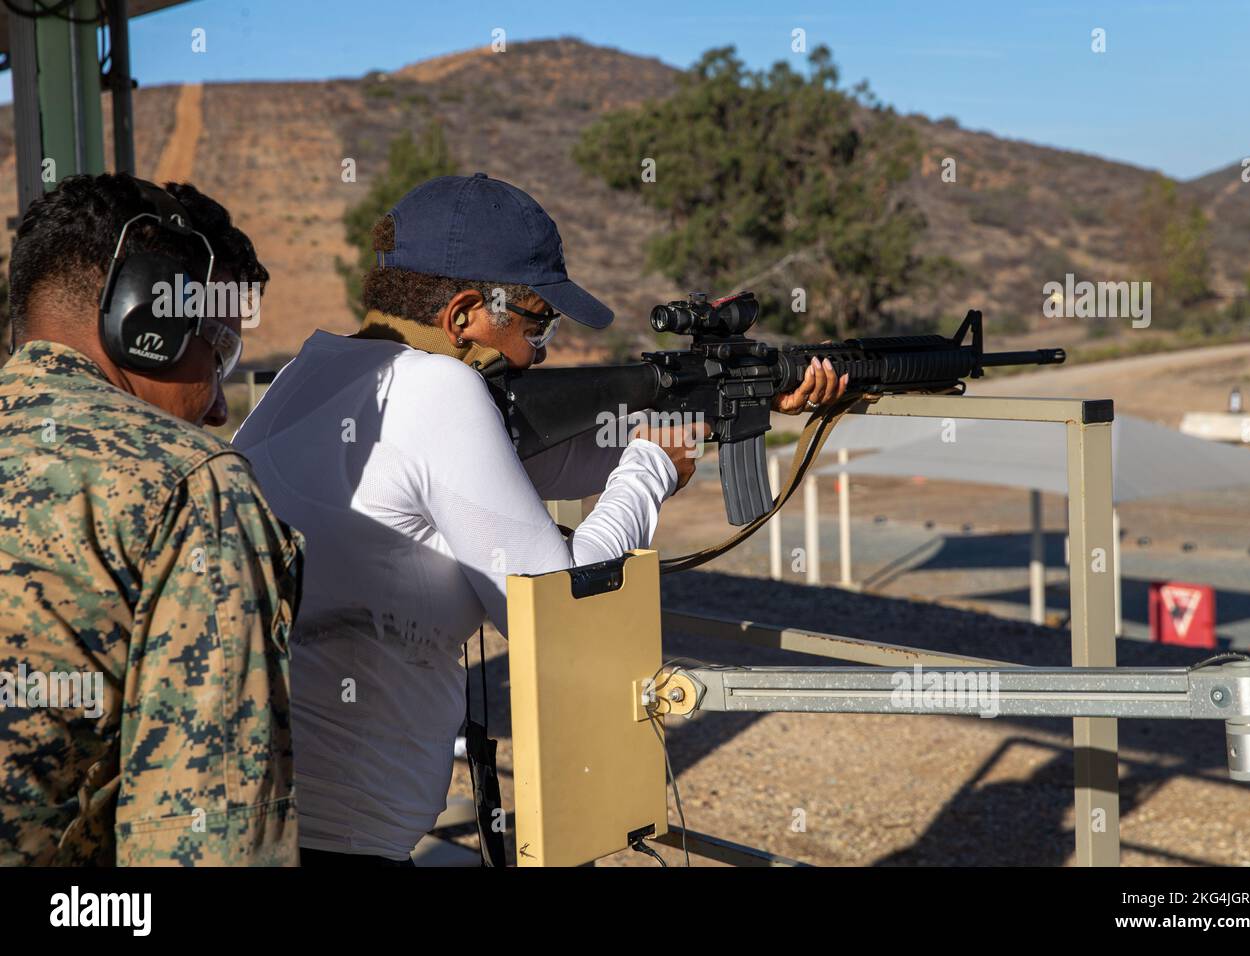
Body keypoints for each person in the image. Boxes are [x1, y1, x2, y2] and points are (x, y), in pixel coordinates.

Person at [234, 173, 846, 865]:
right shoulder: (441, 388)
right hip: (341, 846)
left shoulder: (309, 374)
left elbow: (523, 470)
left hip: (271, 819)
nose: (541, 351)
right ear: (464, 313)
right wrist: (648, 470)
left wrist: (724, 408)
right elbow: (559, 618)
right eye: (535, 323)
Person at [0, 173, 301, 866]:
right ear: (145, 319)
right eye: (219, 351)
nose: (221, 407)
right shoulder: (194, 484)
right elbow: (208, 839)